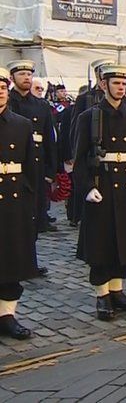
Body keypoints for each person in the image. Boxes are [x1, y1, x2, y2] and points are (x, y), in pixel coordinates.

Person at [73, 64, 126, 321]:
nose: (120, 88)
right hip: (101, 184)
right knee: (101, 242)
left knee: (122, 240)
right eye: (115, 83)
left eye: (123, 84)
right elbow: (80, 158)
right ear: (104, 85)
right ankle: (102, 294)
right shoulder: (90, 117)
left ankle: (117, 290)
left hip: (125, 185)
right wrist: (88, 187)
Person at [0, 67, 39, 339]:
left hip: (14, 201)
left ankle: (7, 315)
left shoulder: (21, 124)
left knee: (11, 259)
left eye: (2, 88)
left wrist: (33, 207)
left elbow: (30, 169)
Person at [6, 60, 57, 233]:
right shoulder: (8, 103)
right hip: (12, 163)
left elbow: (49, 138)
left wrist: (51, 170)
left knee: (35, 214)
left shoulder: (41, 105)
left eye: (29, 74)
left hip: (37, 163)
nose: (26, 77)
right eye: (22, 74)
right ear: (12, 78)